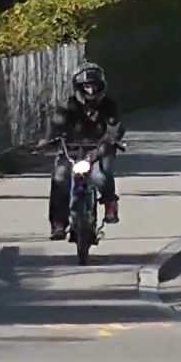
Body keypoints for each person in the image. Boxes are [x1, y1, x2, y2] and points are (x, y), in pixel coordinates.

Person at [43, 62, 125, 240]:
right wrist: (49, 140)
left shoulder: (108, 105)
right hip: (71, 151)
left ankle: (110, 203)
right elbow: (56, 124)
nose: (91, 90)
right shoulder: (68, 106)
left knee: (100, 176)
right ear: (78, 87)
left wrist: (113, 138)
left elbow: (115, 125)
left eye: (94, 85)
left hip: (99, 150)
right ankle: (58, 224)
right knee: (60, 178)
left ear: (101, 87)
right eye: (86, 86)